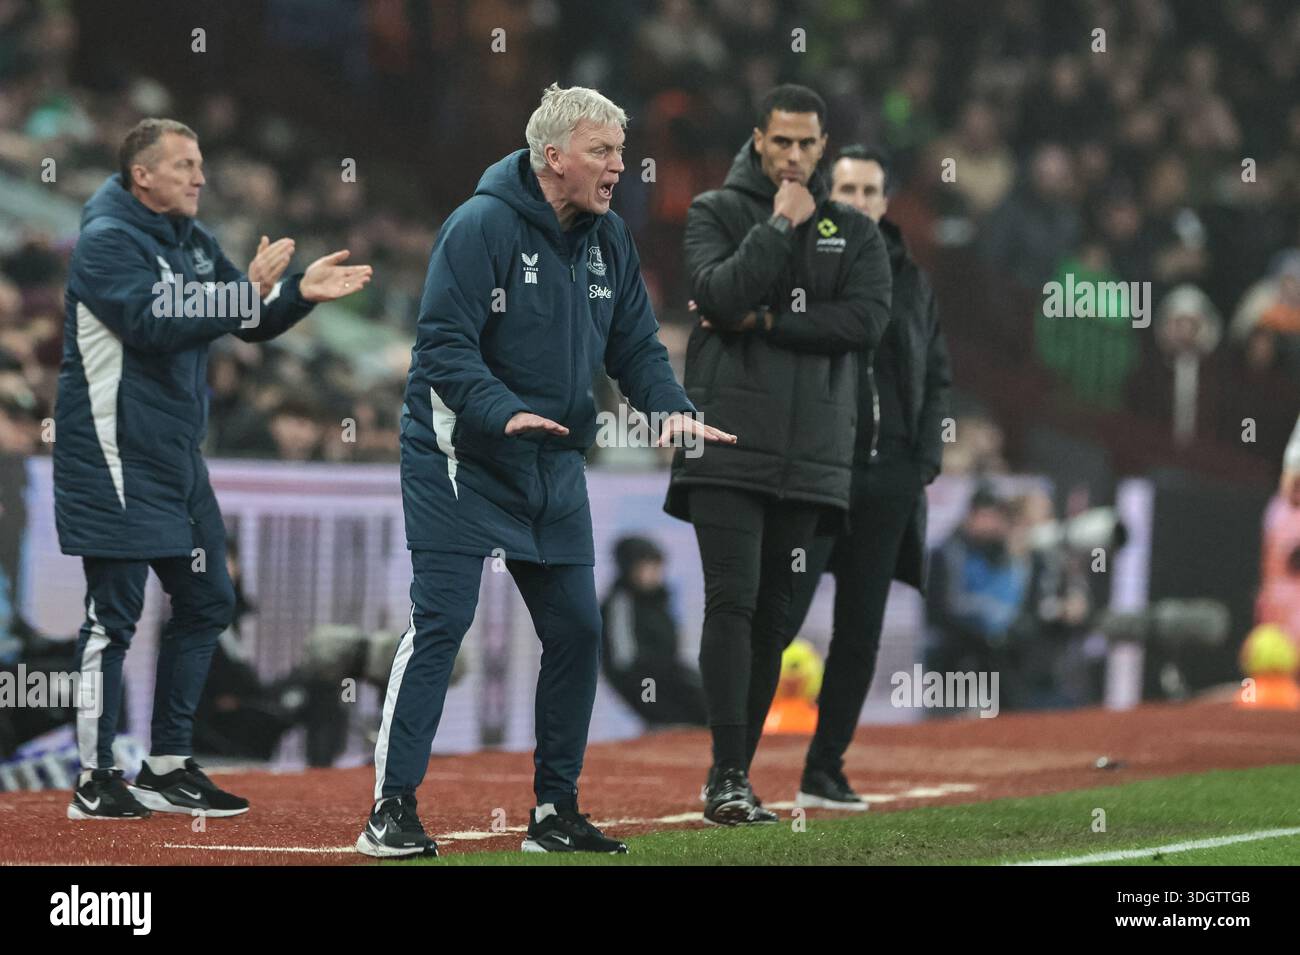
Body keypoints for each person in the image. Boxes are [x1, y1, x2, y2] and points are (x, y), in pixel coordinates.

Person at [356, 84, 733, 858]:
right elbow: (441, 350)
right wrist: (500, 411)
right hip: (462, 456)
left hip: (552, 458)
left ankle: (554, 811)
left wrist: (668, 404)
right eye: (602, 152)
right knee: (441, 625)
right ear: (552, 156)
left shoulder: (610, 240)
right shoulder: (479, 226)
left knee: (577, 630)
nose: (618, 169)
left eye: (620, 153)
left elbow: (634, 348)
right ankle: (389, 809)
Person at [55, 118, 372, 820]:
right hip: (112, 453)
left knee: (207, 600)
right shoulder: (106, 240)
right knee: (114, 617)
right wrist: (244, 294)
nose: (201, 176)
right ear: (143, 175)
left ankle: (166, 763)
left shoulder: (192, 241)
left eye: (201, 163)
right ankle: (93, 776)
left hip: (174, 457)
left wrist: (296, 296)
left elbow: (248, 319)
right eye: (186, 164)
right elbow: (150, 321)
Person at [664, 85, 892, 825]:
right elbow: (718, 294)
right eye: (781, 142)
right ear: (758, 140)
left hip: (816, 459)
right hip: (729, 444)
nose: (794, 156)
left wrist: (765, 317)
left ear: (824, 146)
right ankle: (728, 776)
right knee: (732, 601)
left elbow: (864, 321)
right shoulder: (716, 212)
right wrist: (776, 229)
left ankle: (734, 768)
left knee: (776, 622)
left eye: (807, 144)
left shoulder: (854, 231)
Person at [780, 145, 951, 809]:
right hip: (820, 472)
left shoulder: (913, 280)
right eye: (845, 187)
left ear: (885, 201)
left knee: (860, 630)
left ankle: (825, 767)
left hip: (889, 478)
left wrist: (924, 461)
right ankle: (731, 765)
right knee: (781, 614)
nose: (858, 198)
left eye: (870, 189)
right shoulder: (803, 261)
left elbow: (936, 373)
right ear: (830, 197)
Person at [600, 536, 706, 726]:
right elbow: (624, 660)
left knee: (707, 702)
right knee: (660, 712)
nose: (654, 573)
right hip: (642, 680)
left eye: (656, 566)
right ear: (629, 568)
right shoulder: (620, 602)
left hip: (668, 673)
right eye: (646, 567)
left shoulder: (659, 600)